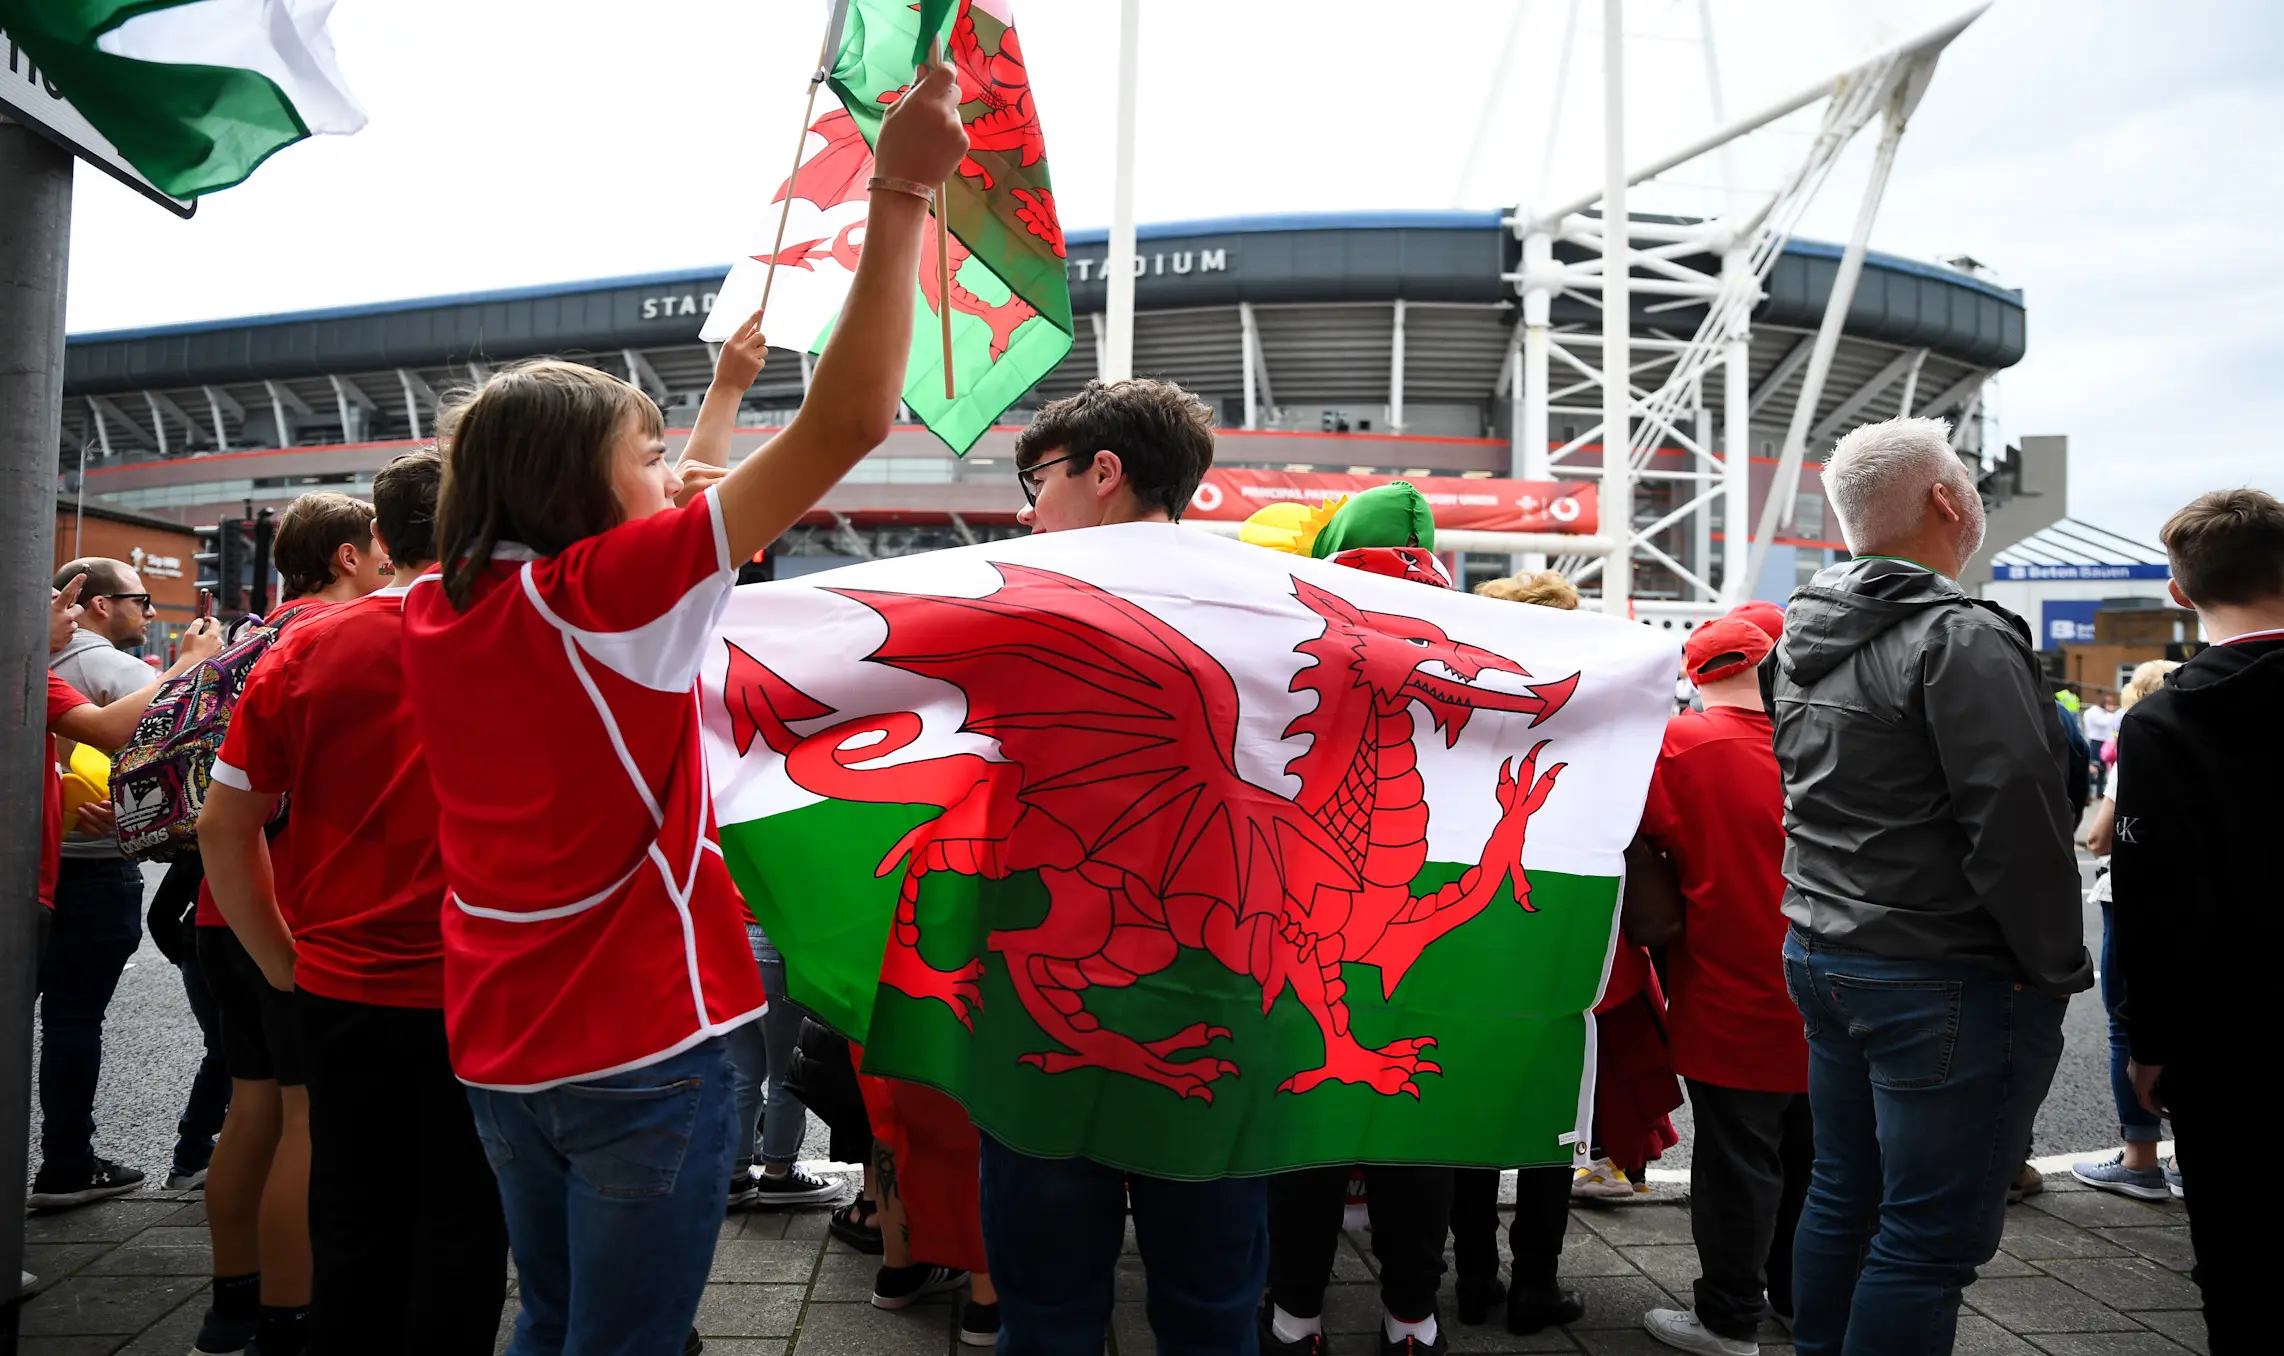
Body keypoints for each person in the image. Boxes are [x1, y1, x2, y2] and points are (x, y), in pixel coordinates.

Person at [398, 64, 966, 1356]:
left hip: (502, 1044)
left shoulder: (450, 603)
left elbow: (670, 519)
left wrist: (711, 403)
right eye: (644, 454)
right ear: (576, 487)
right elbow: (853, 421)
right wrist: (903, 191)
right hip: (645, 1045)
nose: (672, 472)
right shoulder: (608, 595)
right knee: (629, 1340)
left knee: (549, 1317)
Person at [1764, 416, 2090, 1356]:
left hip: (1824, 948)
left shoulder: (1802, 630)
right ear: (1947, 501)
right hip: (1939, 967)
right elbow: (2018, 821)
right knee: (1927, 1239)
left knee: (1843, 1192)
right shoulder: (1958, 637)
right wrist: (2050, 964)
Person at [202, 450, 512, 1355]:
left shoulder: (304, 648)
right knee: (463, 1230)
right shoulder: (522, 636)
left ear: (379, 538)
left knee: (352, 1220)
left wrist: (280, 962)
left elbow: (229, 826)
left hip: (337, 987)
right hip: (478, 989)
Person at [985, 378, 1261, 1355]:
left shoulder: (1004, 611)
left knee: (1050, 1313)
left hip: (1046, 1018)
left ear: (1104, 472)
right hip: (1215, 1011)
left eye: (1036, 477)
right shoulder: (1269, 609)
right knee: (1211, 1309)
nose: (1025, 508)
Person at [1257, 487, 1457, 1356]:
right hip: (1414, 932)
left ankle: (1294, 1313)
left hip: (1312, 913)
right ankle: (1412, 1316)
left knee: (1306, 1130)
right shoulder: (1466, 635)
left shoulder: (1282, 639)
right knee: (1423, 1129)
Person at [190, 490, 390, 1356]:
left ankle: (228, 1309)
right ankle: (289, 1320)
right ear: (347, 556)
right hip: (290, 906)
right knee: (308, 1121)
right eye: (378, 551)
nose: (389, 565)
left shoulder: (247, 637)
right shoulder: (330, 638)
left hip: (217, 900)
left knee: (251, 1108)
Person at [2111, 488, 2284, 1355]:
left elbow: (2159, 899)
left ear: (2180, 594)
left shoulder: (2164, 720)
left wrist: (2150, 1041)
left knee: (2241, 1257)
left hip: (2231, 1040)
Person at [1627, 606, 1810, 1356]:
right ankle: (1804, 1299)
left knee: (1737, 1164)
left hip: (1727, 992)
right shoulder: (1829, 745)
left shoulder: (1681, 746)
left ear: (1697, 677)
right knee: (1816, 1163)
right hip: (1833, 994)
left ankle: (1729, 1318)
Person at [29, 575, 223, 1210]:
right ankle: (66, 1161)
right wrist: (193, 663)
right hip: (69, 878)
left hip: (52, 872)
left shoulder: (47, 673)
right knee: (73, 1018)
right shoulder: (92, 664)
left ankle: (65, 1164)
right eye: (53, 613)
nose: (68, 627)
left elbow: (76, 738)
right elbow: (126, 732)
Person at [1448, 567, 1586, 1338]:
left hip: (1462, 935)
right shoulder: (1601, 719)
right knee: (1546, 1120)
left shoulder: (1457, 718)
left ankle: (1473, 1277)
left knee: (1466, 1112)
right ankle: (1536, 1283)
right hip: (1554, 938)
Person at [2069, 659, 2179, 1202]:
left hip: (2130, 897)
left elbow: (2096, 838)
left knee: (2124, 1026)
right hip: (2202, 897)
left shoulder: (2140, 741)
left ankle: (2139, 1159)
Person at [2081, 690, 2122, 756]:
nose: (2112, 706)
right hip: (2098, 742)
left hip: (2104, 742)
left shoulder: (2102, 712)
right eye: (2109, 703)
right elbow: (2106, 722)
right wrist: (2111, 713)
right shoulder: (2094, 712)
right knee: (2097, 763)